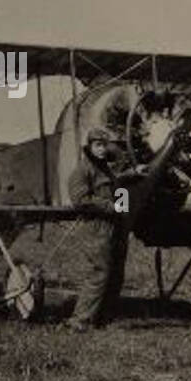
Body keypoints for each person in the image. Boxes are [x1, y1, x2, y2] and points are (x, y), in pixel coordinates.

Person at [64, 127, 130, 330]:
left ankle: (102, 319)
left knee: (115, 273)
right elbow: (80, 201)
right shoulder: (83, 171)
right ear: (89, 146)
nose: (102, 149)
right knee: (99, 272)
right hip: (95, 227)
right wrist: (112, 207)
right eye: (98, 145)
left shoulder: (105, 169)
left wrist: (135, 172)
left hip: (113, 226)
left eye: (105, 145)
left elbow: (118, 184)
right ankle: (79, 321)